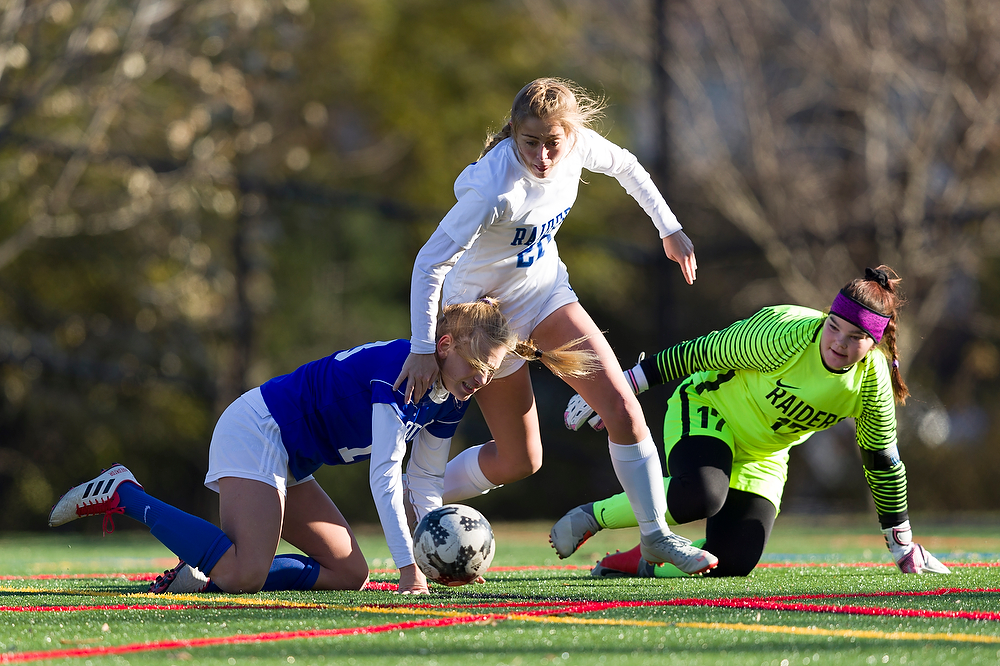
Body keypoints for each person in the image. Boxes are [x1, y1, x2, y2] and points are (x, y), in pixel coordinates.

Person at [49, 298, 594, 595]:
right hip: (257, 431)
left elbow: (424, 483)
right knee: (246, 576)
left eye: (490, 374)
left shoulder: (452, 392)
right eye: (476, 369)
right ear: (443, 345)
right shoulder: (398, 374)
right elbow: (385, 476)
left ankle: (198, 574)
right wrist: (409, 569)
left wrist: (437, 550)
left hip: (294, 460)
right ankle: (124, 493)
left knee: (349, 575)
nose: (480, 382)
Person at [393, 77, 714, 575]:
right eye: (530, 142)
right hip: (484, 316)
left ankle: (656, 539)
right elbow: (428, 263)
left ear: (570, 135)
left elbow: (628, 166)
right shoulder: (491, 189)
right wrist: (421, 346)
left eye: (553, 142)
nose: (543, 154)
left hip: (544, 297)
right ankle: (416, 503)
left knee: (623, 409)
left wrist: (669, 228)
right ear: (512, 134)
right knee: (521, 460)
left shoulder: (577, 146)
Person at [551, 266, 951, 577]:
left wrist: (901, 543)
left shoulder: (872, 380)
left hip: (766, 453)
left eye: (855, 338)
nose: (838, 343)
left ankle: (642, 560)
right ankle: (593, 515)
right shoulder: (784, 334)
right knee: (703, 494)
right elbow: (699, 353)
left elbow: (881, 461)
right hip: (710, 410)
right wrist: (618, 389)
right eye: (834, 327)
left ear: (874, 343)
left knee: (731, 563)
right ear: (825, 318)